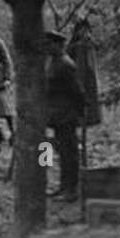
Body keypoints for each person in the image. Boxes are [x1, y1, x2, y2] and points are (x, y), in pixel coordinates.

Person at [45, 29, 86, 201]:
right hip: (55, 114)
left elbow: (77, 92)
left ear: (59, 44)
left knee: (70, 154)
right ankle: (63, 186)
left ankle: (72, 190)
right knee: (61, 152)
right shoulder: (52, 62)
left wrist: (79, 112)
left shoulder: (65, 64)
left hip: (66, 115)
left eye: (50, 44)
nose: (47, 47)